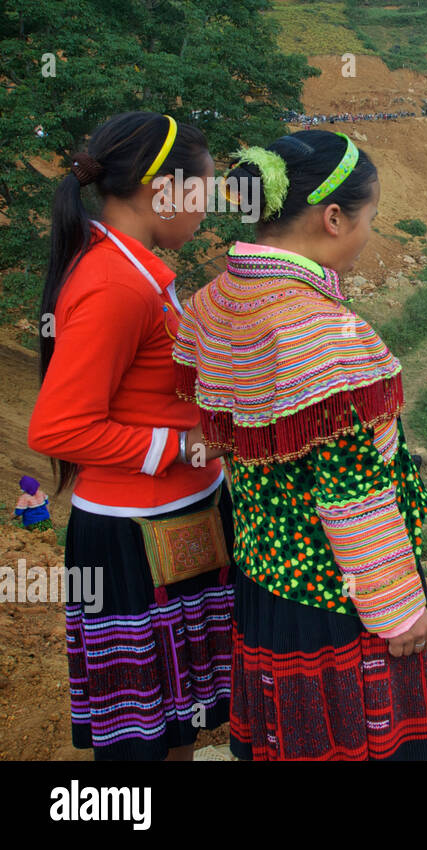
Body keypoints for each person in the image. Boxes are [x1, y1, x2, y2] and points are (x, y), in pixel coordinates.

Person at [176, 130, 427, 761]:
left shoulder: (213, 305)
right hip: (339, 596)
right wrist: (399, 612)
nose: (370, 234)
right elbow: (352, 493)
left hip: (265, 579)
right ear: (332, 218)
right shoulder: (323, 336)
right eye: (370, 219)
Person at [27, 112, 234, 761]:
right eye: (201, 190)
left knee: (177, 725)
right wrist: (175, 449)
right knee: (142, 742)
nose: (208, 207)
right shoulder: (115, 285)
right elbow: (59, 425)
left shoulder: (140, 274)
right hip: (134, 541)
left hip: (175, 524)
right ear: (159, 192)